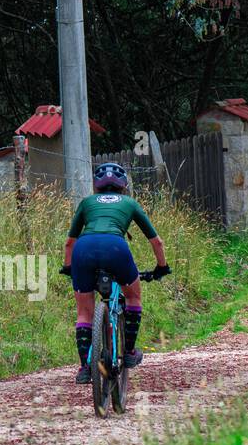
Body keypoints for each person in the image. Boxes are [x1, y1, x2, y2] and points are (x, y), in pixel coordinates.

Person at [61, 162, 170, 383]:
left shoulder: (87, 202)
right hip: (115, 248)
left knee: (84, 312)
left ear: (97, 186)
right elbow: (156, 242)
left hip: (84, 248)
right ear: (123, 185)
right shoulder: (130, 203)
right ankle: (128, 353)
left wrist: (68, 267)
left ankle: (84, 368)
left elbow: (69, 244)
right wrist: (161, 267)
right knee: (133, 297)